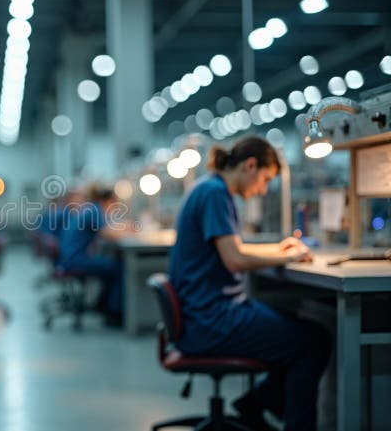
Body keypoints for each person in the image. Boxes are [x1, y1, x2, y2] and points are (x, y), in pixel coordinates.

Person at [169, 136, 330, 431]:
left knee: (297, 328)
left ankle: (256, 403)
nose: (264, 189)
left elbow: (234, 250)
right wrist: (283, 258)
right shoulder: (215, 194)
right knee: (311, 341)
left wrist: (279, 250)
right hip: (212, 320)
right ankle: (266, 407)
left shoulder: (212, 189)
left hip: (209, 312)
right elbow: (234, 259)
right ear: (250, 165)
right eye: (266, 179)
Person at [56, 188, 129, 326]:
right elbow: (109, 233)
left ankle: (103, 305)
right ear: (108, 201)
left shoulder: (91, 209)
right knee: (118, 267)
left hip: (70, 258)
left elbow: (109, 229)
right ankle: (114, 312)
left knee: (111, 265)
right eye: (116, 203)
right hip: (75, 260)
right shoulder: (94, 211)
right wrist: (131, 230)